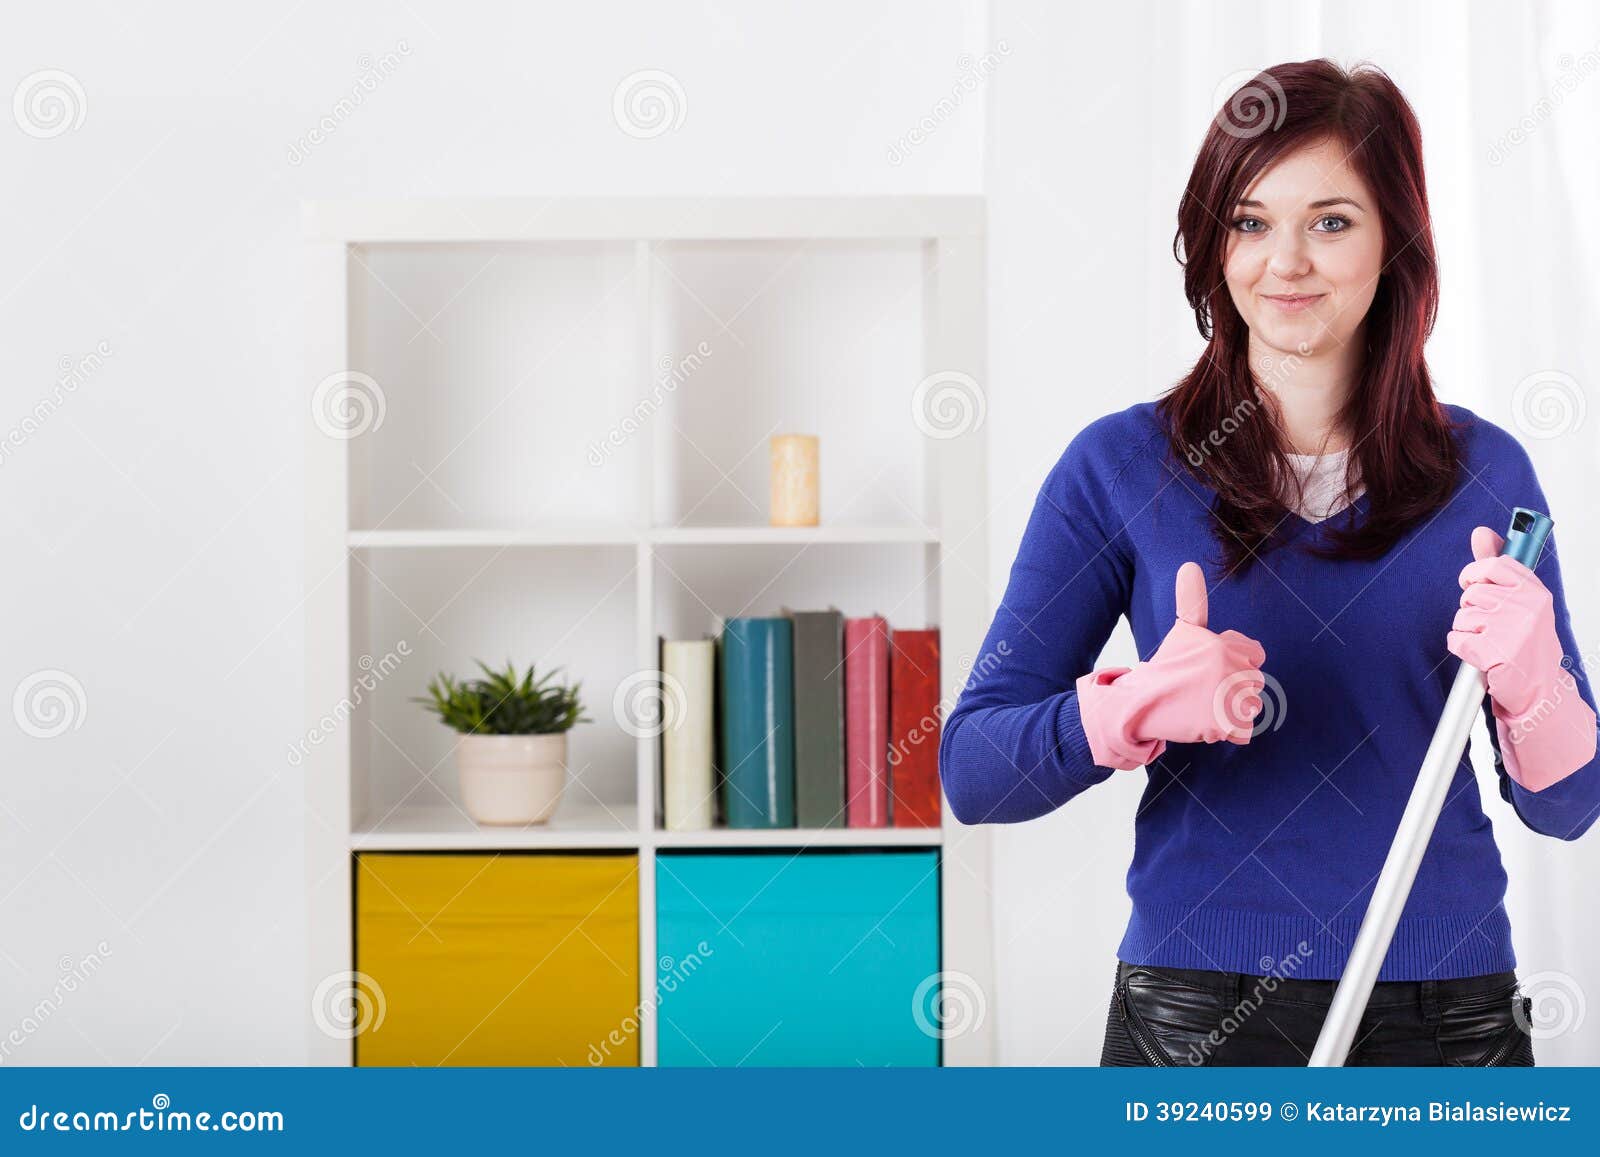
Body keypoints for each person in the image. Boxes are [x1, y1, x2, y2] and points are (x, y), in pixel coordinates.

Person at [938, 59, 1600, 1066]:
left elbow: (1567, 804)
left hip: (1449, 1014)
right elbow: (973, 768)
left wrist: (1531, 679)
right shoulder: (1121, 465)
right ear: (1213, 244)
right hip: (1193, 1016)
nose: (1284, 260)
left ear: (1394, 242)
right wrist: (1127, 709)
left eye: (1330, 221)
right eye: (1249, 222)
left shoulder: (1483, 472)